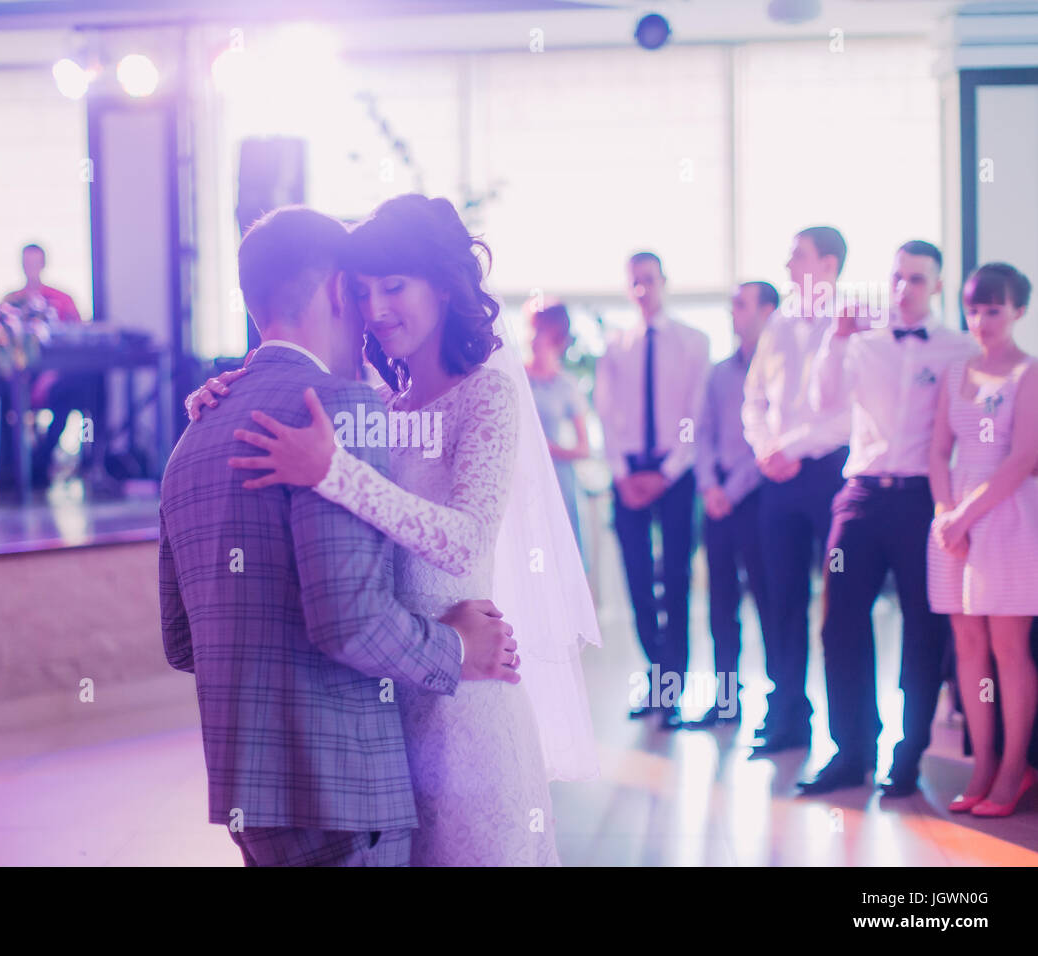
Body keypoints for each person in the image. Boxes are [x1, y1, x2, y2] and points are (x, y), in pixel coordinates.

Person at [196, 195, 601, 863]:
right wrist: (220, 396)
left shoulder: (486, 396)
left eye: (395, 286)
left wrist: (334, 473)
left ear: (442, 284)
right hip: (381, 728)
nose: (376, 310)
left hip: (467, 715)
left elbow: (466, 538)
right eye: (362, 292)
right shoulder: (375, 407)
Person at [805, 241, 976, 796]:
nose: (905, 290)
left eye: (918, 280)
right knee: (838, 623)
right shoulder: (863, 345)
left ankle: (908, 756)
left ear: (939, 285)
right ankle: (851, 751)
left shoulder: (960, 348)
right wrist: (837, 337)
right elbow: (820, 401)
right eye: (898, 278)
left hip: (923, 499)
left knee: (923, 628)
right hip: (859, 496)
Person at [928, 262, 1038, 818]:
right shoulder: (955, 372)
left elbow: (1023, 459)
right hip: (955, 523)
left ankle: (1016, 769)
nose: (982, 319)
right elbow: (936, 451)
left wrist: (965, 516)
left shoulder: (1030, 372)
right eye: (974, 308)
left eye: (994, 308)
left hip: (1007, 516)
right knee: (968, 646)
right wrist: (948, 515)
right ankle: (984, 763)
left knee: (1008, 648)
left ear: (1019, 310)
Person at [742, 226, 851, 756]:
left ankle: (846, 736)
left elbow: (851, 413)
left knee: (838, 605)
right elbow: (753, 398)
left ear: (829, 265)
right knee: (779, 598)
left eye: (798, 257)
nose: (788, 267)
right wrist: (767, 448)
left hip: (830, 474)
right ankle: (788, 718)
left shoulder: (852, 322)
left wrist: (793, 447)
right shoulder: (779, 323)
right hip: (777, 478)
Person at [595, 252, 711, 727]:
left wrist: (666, 473)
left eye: (650, 280)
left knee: (677, 581)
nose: (643, 289)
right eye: (635, 282)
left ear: (664, 282)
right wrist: (624, 474)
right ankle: (656, 675)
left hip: (676, 474)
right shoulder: (615, 346)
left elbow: (695, 413)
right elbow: (606, 414)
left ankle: (673, 689)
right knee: (638, 581)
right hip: (627, 475)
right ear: (628, 288)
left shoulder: (692, 342)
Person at [691, 281, 775, 727]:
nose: (732, 313)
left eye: (740, 305)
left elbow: (772, 440)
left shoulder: (779, 372)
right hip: (717, 500)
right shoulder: (719, 372)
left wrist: (732, 490)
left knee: (768, 602)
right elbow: (700, 432)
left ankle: (780, 710)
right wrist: (709, 487)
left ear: (767, 311)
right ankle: (727, 701)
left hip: (757, 499)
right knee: (720, 607)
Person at [1, 243, 91, 489]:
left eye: (35, 262)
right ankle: (9, 471)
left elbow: (76, 343)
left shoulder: (62, 300)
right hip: (19, 377)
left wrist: (52, 374)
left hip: (56, 377)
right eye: (26, 262)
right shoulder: (10, 303)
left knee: (77, 392)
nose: (30, 267)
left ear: (43, 264)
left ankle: (42, 464)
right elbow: (2, 346)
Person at [526, 303, 591, 556]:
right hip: (523, 480)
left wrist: (546, 448)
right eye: (531, 329)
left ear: (557, 336)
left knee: (562, 553)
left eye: (540, 329)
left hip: (559, 482)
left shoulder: (567, 385)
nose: (533, 337)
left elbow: (584, 448)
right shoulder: (515, 378)